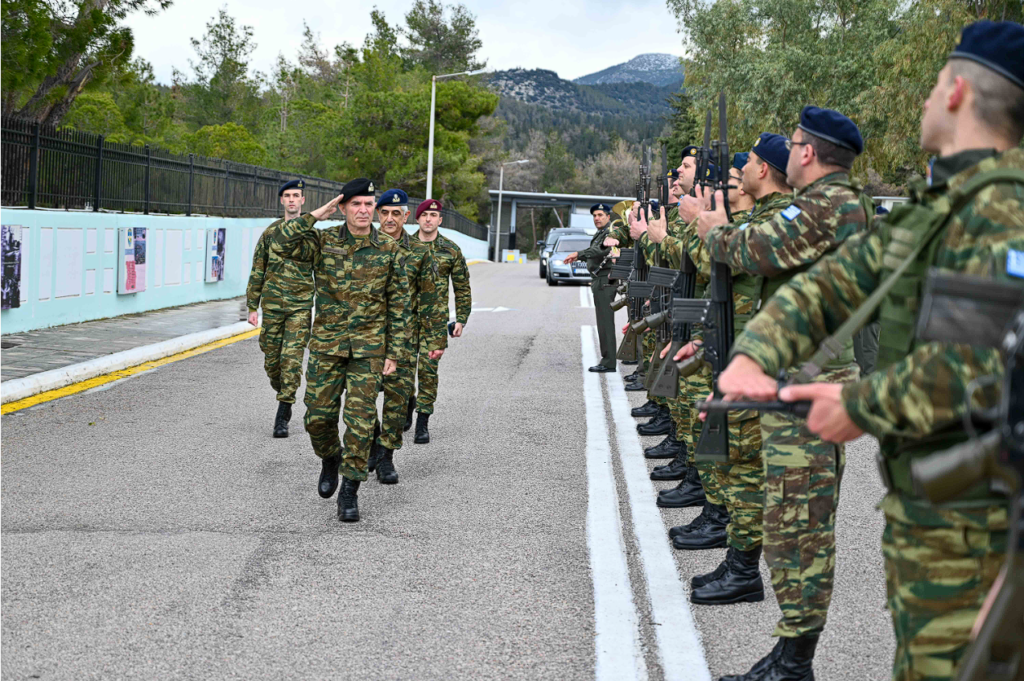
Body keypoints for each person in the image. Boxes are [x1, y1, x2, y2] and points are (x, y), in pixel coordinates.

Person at [714, 21, 1024, 681]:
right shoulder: (941, 205)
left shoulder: (999, 213)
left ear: (957, 92)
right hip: (936, 509)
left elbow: (971, 370)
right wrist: (756, 351)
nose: (922, 101)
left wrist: (858, 402)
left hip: (980, 522)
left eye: (932, 85)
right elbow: (838, 281)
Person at [271, 179, 410, 522]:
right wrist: (316, 214)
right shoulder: (323, 240)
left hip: (369, 350)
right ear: (344, 207)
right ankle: (330, 458)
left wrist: (393, 353)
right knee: (317, 419)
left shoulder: (390, 250)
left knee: (361, 425)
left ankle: (350, 490)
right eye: (356, 204)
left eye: (368, 205)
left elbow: (400, 305)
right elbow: (281, 244)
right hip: (327, 347)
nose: (363, 210)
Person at [369, 189, 447, 484]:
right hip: (366, 338)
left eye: (396, 213)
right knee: (362, 401)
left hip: (404, 339)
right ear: (378, 214)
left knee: (396, 401)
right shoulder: (363, 245)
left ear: (405, 216)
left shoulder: (419, 252)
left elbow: (431, 299)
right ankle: (373, 442)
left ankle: (386, 457)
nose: (390, 219)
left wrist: (436, 340)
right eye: (384, 212)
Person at [246, 179, 315, 438]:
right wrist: (252, 305)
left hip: (300, 307)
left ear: (303, 201)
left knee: (291, 358)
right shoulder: (270, 232)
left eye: (296, 195)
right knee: (272, 361)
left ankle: (284, 410)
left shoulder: (311, 233)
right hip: (273, 306)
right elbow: (258, 268)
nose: (292, 200)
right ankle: (283, 390)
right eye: (287, 196)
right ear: (282, 201)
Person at [411, 199, 472, 444]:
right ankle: (406, 405)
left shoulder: (451, 249)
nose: (428, 219)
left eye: (433, 215)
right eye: (424, 215)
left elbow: (462, 287)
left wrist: (462, 318)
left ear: (440, 220)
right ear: (417, 219)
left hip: (434, 323)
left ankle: (422, 422)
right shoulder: (403, 247)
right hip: (404, 322)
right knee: (401, 375)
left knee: (428, 373)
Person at [564, 203, 617, 372]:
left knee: (605, 322)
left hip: (605, 280)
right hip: (600, 279)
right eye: (594, 216)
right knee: (603, 321)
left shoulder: (610, 232)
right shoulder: (601, 232)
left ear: (608, 217)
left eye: (600, 215)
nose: (597, 218)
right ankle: (608, 359)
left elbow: (598, 251)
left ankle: (608, 362)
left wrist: (578, 254)